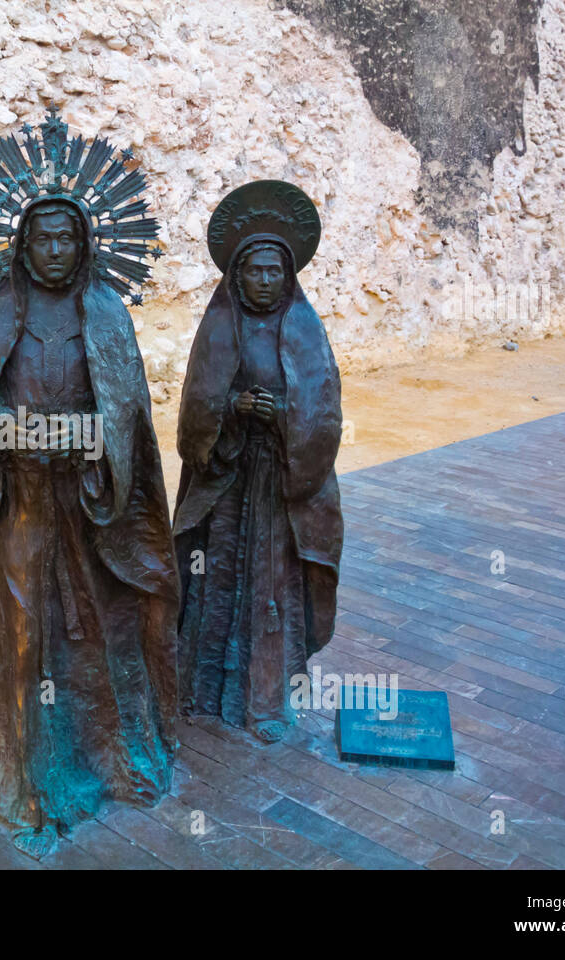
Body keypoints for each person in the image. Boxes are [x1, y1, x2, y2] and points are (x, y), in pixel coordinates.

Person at [0, 144, 180, 859]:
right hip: (12, 506)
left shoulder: (106, 314)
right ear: (22, 242)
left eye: (69, 236)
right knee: (19, 631)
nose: (57, 249)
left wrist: (89, 437)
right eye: (44, 236)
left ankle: (104, 763)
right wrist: (3, 432)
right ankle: (16, 778)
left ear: (87, 243)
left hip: (91, 508)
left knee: (95, 629)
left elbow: (129, 419)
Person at [174, 180, 343, 744]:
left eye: (276, 272)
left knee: (271, 585)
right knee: (215, 578)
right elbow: (195, 414)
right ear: (237, 275)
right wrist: (233, 410)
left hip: (279, 485)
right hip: (227, 480)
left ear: (288, 276)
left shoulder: (306, 330)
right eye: (255, 272)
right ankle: (204, 691)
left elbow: (322, 415)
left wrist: (281, 417)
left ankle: (266, 697)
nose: (266, 281)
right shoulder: (220, 327)